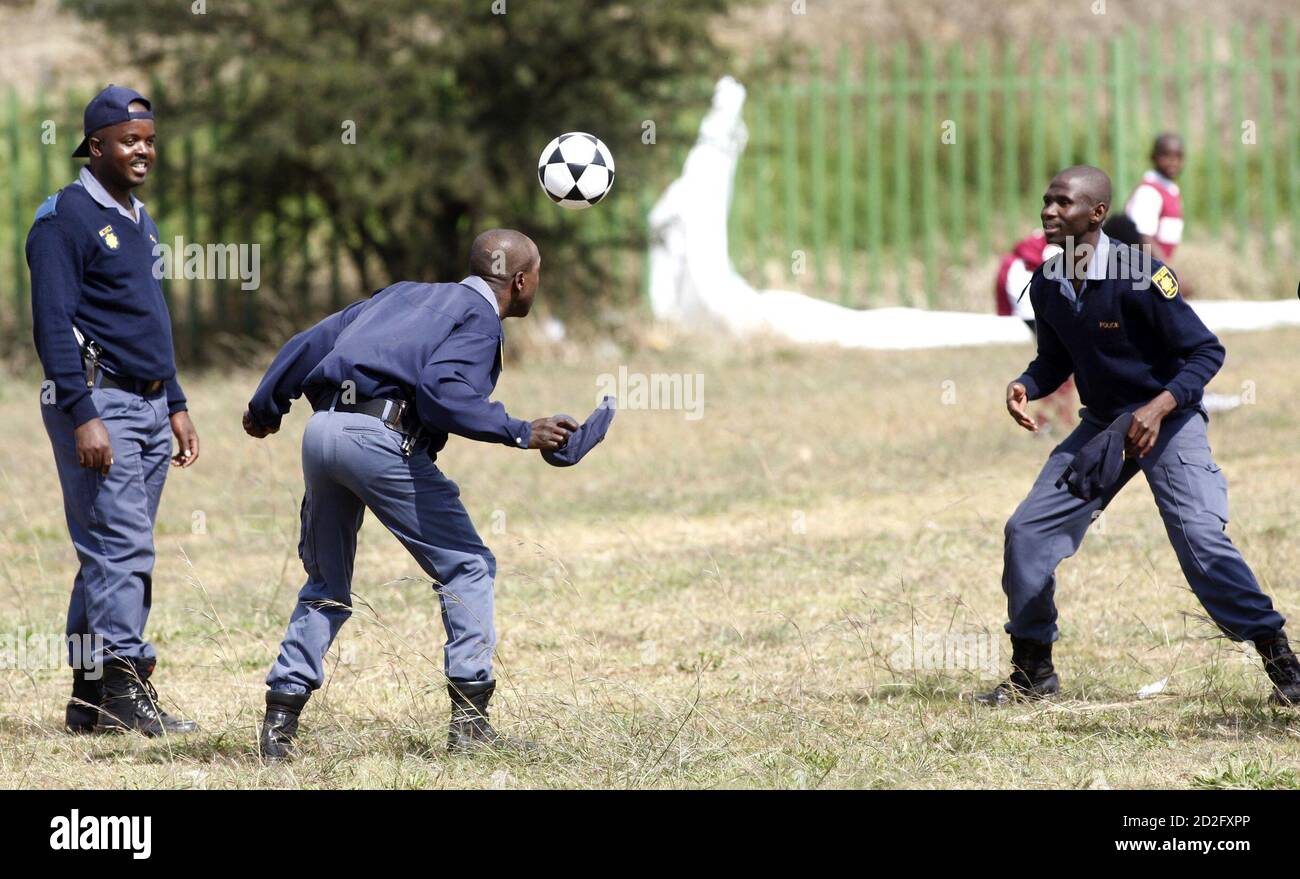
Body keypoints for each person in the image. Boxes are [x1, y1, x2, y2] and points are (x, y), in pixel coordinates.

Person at [244, 229, 578, 761]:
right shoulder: (480, 320)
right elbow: (443, 395)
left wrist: (265, 408)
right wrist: (520, 431)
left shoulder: (401, 294)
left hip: (323, 432)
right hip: (380, 440)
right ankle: (470, 726)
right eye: (538, 275)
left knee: (327, 583)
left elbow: (308, 343)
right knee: (468, 567)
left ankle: (279, 722)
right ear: (519, 281)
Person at [976, 165, 1300, 707]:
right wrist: (1025, 384)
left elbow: (1205, 352)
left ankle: (1283, 663)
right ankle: (1033, 670)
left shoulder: (1142, 276)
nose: (1048, 212)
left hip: (1169, 422)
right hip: (1104, 426)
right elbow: (1055, 359)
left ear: (1096, 214)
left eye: (1062, 203)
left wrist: (1159, 407)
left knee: (1201, 541)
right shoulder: (1048, 283)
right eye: (1046, 201)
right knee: (1026, 533)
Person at [26, 85, 200, 736]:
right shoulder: (61, 220)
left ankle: (89, 697)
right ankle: (128, 693)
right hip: (99, 402)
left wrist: (176, 400)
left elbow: (148, 317)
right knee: (121, 551)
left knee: (108, 552)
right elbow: (51, 325)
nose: (144, 150)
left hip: (151, 406)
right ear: (94, 145)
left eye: (150, 139)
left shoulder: (138, 217)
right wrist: (82, 412)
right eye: (130, 140)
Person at [995, 229, 1075, 430]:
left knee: (1061, 355)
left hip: (1019, 280)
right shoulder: (1066, 241)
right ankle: (1049, 419)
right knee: (1060, 355)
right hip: (1026, 285)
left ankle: (1054, 417)